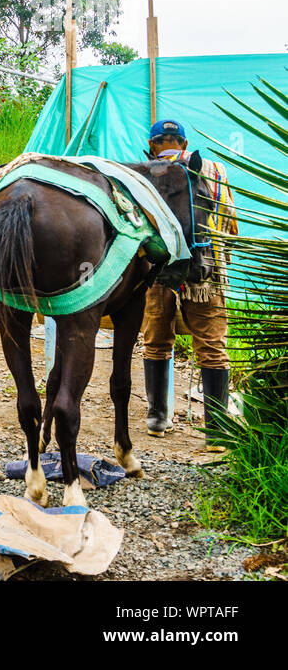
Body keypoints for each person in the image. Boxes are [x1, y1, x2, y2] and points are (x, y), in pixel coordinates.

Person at [140, 119, 238, 450]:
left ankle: (157, 419)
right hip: (205, 268)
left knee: (156, 339)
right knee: (212, 345)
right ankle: (218, 432)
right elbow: (229, 222)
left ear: (152, 145)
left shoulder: (145, 173)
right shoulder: (213, 170)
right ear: (184, 143)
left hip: (159, 270)